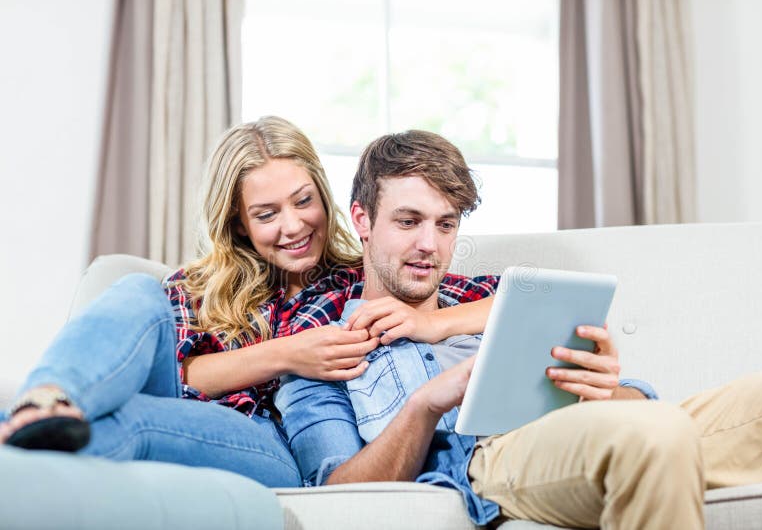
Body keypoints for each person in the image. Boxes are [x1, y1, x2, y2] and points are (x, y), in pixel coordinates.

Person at [276, 129, 762, 529]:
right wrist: (426, 403)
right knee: (656, 433)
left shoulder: (492, 305)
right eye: (409, 221)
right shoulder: (319, 347)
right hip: (495, 457)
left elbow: (629, 407)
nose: (429, 246)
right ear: (363, 220)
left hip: (602, 429)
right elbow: (333, 490)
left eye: (446, 224)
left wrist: (601, 388)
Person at [0, 116, 491, 488]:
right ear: (238, 222)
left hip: (260, 437)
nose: (294, 226)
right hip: (183, 401)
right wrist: (287, 354)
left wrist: (434, 324)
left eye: (303, 202)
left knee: (125, 423)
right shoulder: (198, 289)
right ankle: (45, 400)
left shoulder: (362, 274)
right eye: (266, 213)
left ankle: (21, 448)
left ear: (329, 199)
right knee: (134, 289)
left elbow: (491, 296)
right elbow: (180, 373)